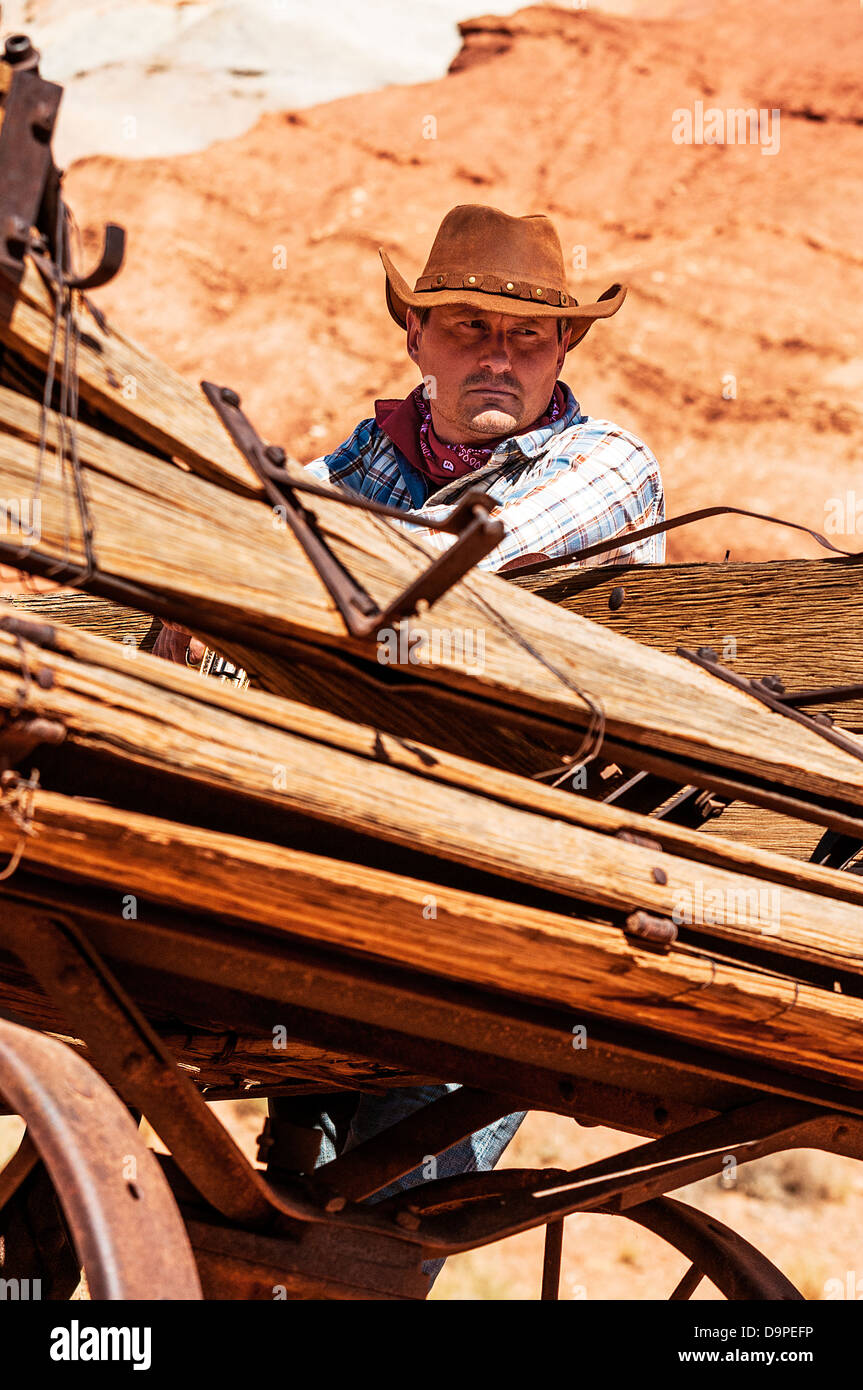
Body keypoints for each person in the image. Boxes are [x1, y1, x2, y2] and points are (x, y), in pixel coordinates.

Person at [153, 203, 665, 1295]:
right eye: (468, 327)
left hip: (517, 873)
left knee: (373, 1225)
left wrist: (254, 548)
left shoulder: (602, 463)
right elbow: (302, 549)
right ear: (416, 337)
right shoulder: (371, 457)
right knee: (306, 1198)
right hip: (340, 843)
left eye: (527, 335)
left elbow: (456, 566)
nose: (497, 355)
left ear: (563, 348)